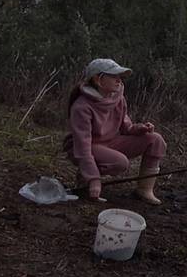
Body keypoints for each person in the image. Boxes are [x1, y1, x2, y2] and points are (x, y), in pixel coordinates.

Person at [66, 58, 167, 205]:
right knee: (120, 162)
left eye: (120, 76)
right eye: (114, 76)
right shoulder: (82, 107)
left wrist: (140, 129)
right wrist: (94, 179)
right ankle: (86, 179)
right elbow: (83, 148)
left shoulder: (117, 98)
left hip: (111, 142)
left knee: (155, 139)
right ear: (98, 79)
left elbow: (126, 127)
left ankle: (145, 189)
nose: (119, 80)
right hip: (88, 147)